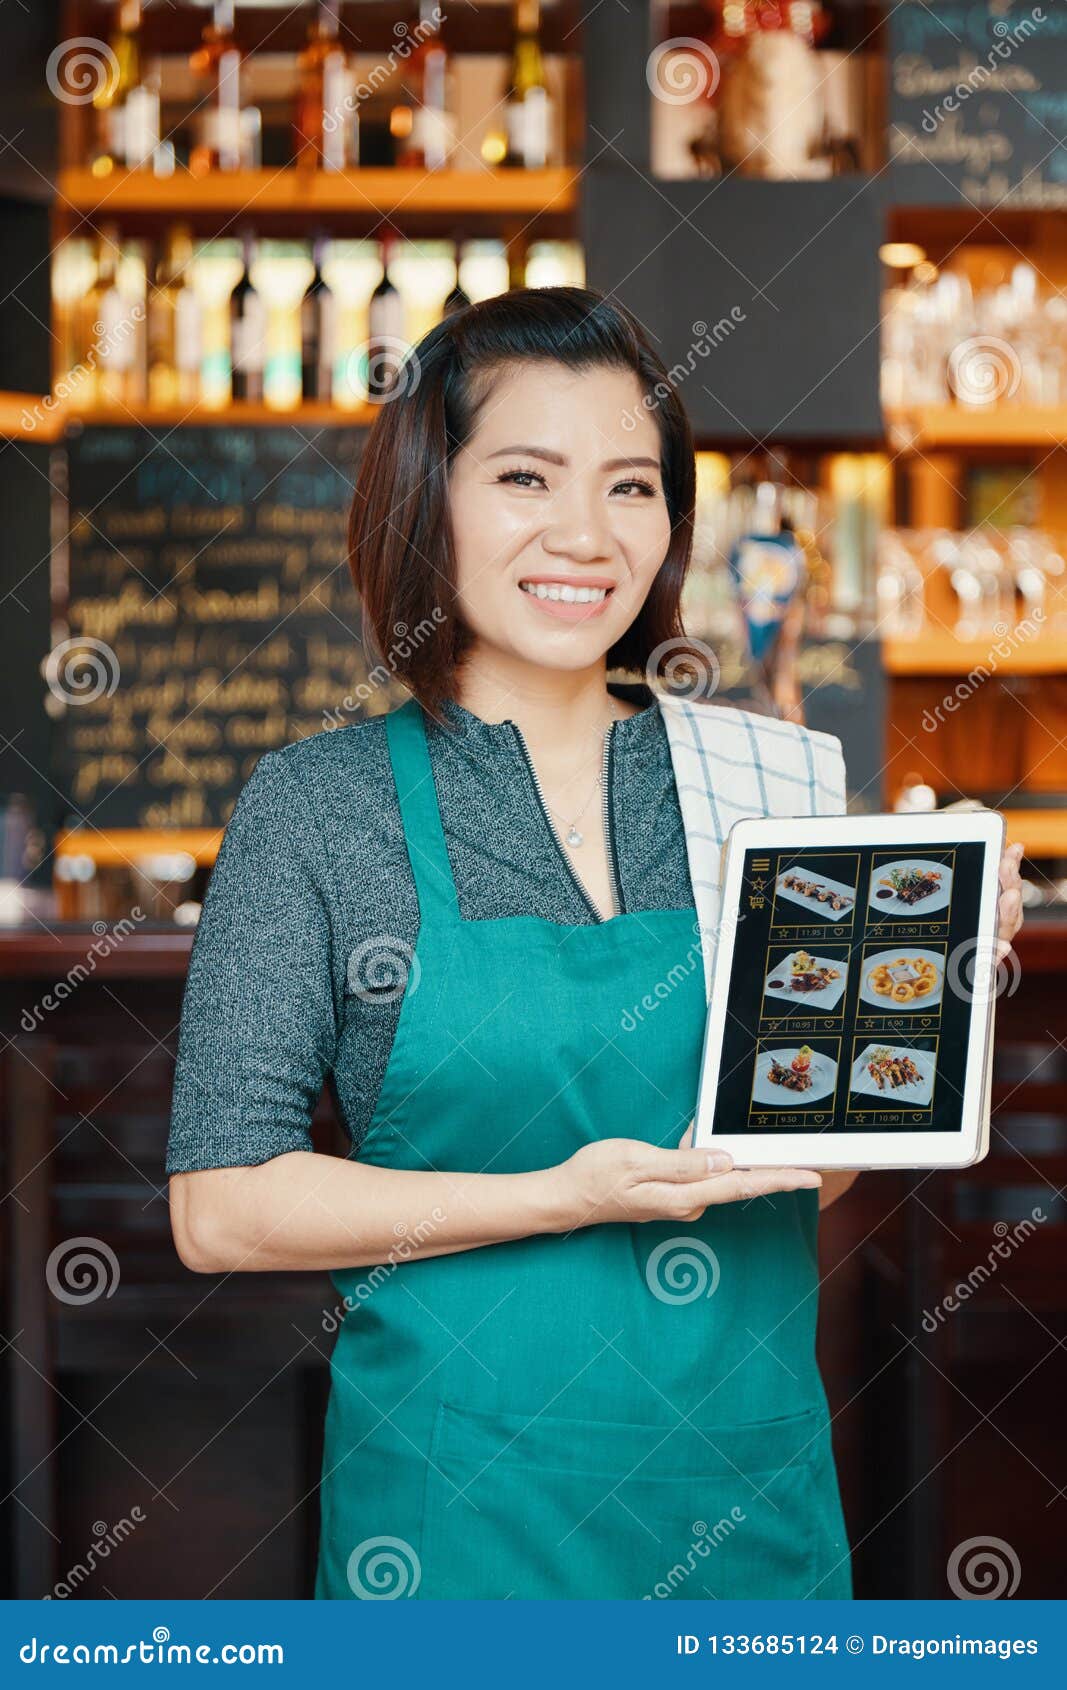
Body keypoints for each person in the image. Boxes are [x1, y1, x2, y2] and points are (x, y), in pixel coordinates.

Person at [166, 286, 1026, 1600]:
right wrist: (563, 1196)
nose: (585, 533)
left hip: (746, 1503)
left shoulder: (768, 779)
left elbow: (808, 1168)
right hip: (454, 1521)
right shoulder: (321, 806)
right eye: (526, 476)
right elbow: (221, 1208)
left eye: (631, 486)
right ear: (429, 499)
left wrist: (936, 968)